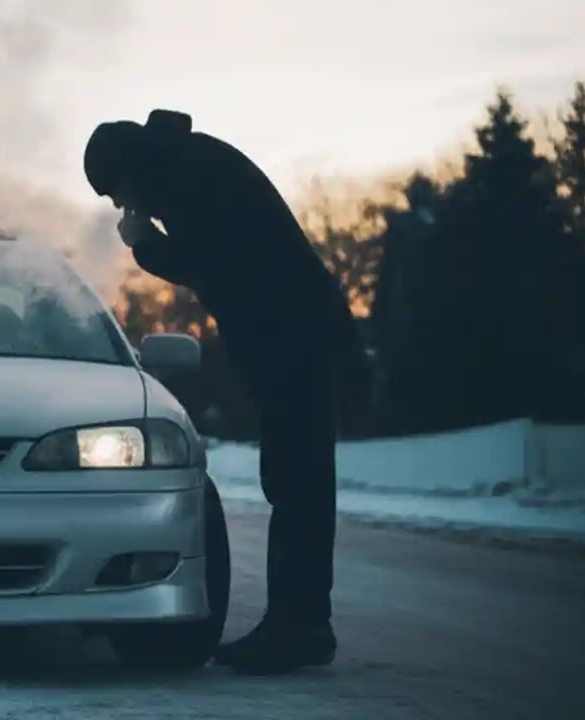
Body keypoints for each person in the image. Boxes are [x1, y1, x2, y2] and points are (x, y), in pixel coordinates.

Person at [84, 109, 371, 675]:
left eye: (117, 195)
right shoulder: (192, 166)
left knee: (297, 484)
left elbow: (213, 266)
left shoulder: (190, 178)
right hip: (297, 339)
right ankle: (300, 622)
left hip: (293, 342)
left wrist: (144, 245)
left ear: (130, 170)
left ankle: (299, 628)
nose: (124, 208)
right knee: (297, 482)